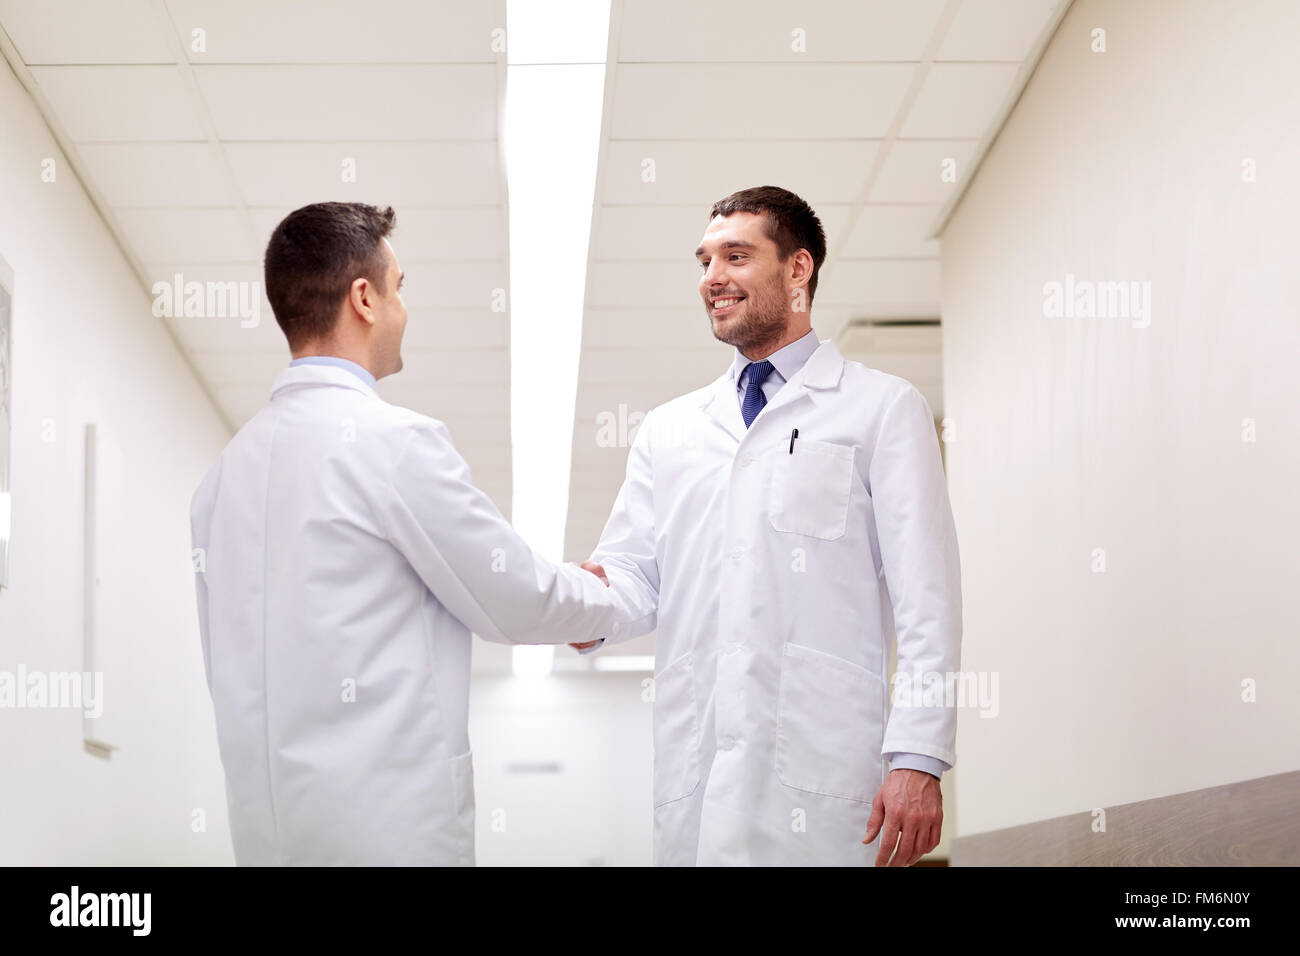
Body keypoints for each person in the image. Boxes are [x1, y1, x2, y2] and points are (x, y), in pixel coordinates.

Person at [190, 202, 631, 866]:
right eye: (399, 288)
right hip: (389, 838)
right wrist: (598, 603)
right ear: (363, 299)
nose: (403, 310)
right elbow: (512, 595)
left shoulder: (221, 481)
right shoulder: (390, 444)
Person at [574, 186, 962, 866]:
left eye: (736, 255)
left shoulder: (881, 410)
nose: (712, 278)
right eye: (703, 261)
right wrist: (582, 606)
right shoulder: (671, 430)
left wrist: (919, 754)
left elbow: (928, 598)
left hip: (825, 775)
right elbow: (634, 579)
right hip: (697, 777)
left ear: (798, 270)